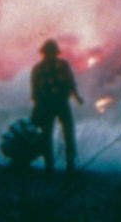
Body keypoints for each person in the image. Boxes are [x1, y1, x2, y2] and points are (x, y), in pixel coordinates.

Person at [30, 39, 83, 171]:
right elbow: (35, 91)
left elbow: (70, 82)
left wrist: (76, 96)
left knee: (65, 133)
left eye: (51, 53)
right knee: (50, 134)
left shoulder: (44, 68)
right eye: (49, 53)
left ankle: (68, 164)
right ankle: (51, 165)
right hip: (50, 104)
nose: (50, 55)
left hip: (58, 103)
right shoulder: (39, 69)